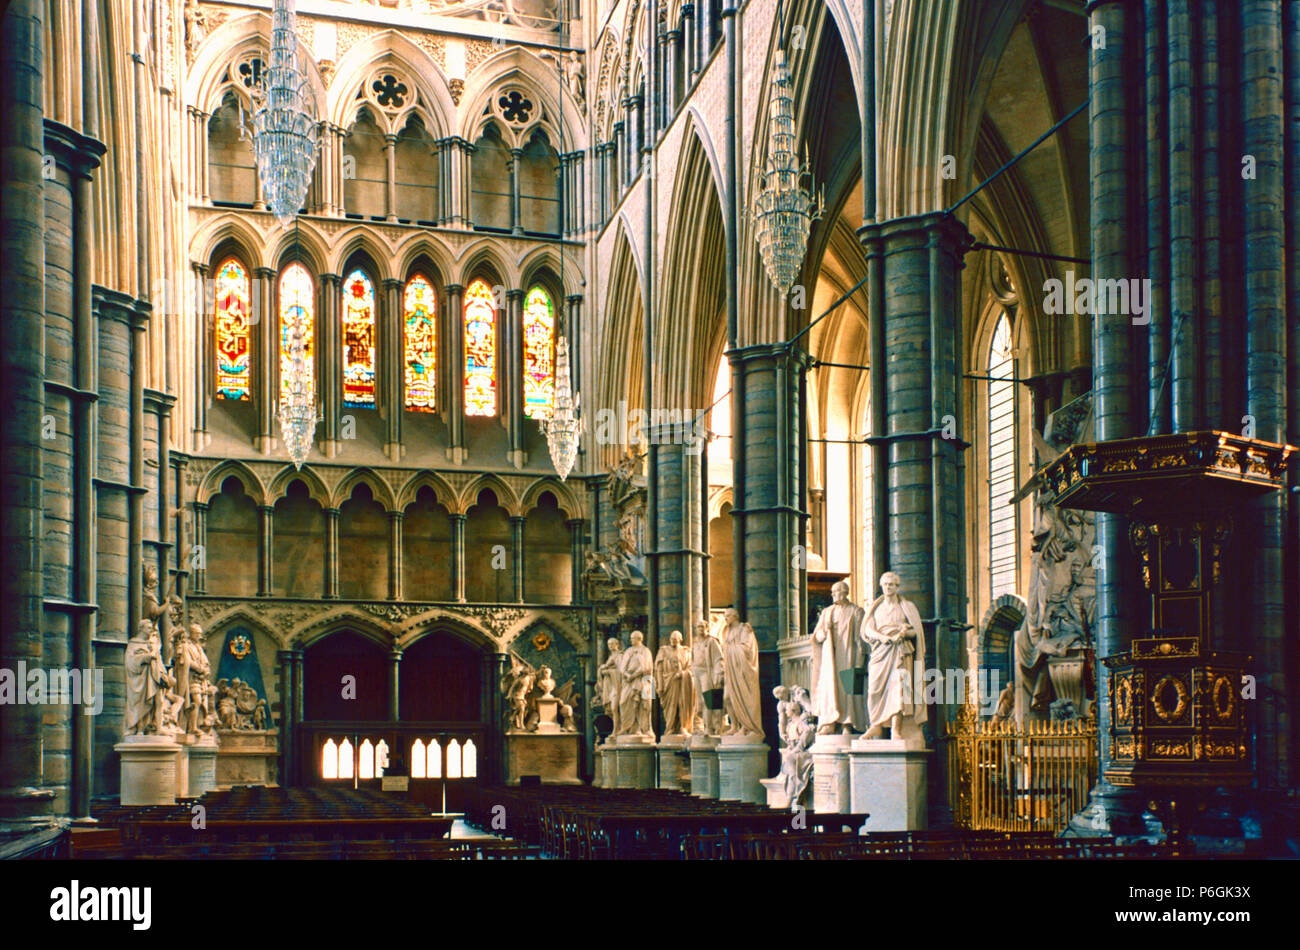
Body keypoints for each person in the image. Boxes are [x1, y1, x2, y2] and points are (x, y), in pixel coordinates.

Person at [861, 572, 927, 740]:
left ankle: (896, 729)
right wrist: (883, 637)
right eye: (885, 584)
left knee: (898, 689)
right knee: (874, 689)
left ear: (897, 587)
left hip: (900, 652)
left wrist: (904, 633)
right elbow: (868, 629)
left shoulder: (907, 607)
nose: (888, 587)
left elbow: (916, 632)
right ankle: (876, 725)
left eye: (892, 584)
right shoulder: (875, 608)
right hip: (880, 652)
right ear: (881, 586)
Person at [809, 580, 866, 735]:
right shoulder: (827, 612)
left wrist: (861, 654)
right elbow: (817, 634)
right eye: (832, 592)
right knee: (830, 687)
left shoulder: (856, 611)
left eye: (836, 591)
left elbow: (862, 636)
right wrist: (823, 633)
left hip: (850, 654)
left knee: (849, 687)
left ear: (845, 592)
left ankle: (848, 722)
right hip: (830, 656)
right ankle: (830, 722)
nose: (834, 594)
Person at [720, 609, 763, 739]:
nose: (725, 618)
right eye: (725, 616)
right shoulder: (726, 631)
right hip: (731, 669)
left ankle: (746, 726)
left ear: (735, 616)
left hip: (742, 671)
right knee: (727, 698)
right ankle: (734, 726)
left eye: (728, 616)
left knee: (743, 697)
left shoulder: (744, 629)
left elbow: (747, 649)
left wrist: (731, 650)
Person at [654, 630, 694, 736]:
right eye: (671, 639)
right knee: (670, 706)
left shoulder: (686, 651)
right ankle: (670, 727)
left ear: (680, 640)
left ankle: (683, 726)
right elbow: (659, 669)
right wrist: (660, 685)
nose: (673, 641)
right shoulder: (663, 651)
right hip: (668, 682)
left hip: (682, 682)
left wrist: (682, 673)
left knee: (682, 703)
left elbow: (691, 667)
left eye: (675, 640)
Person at [616, 631, 654, 738]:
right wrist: (627, 674)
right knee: (623, 702)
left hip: (643, 680)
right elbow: (622, 667)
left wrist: (634, 675)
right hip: (628, 681)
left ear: (639, 639)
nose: (630, 640)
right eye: (630, 638)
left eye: (632, 638)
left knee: (643, 705)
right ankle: (627, 728)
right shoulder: (628, 651)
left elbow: (646, 667)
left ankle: (640, 729)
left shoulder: (646, 651)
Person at [690, 619, 724, 734]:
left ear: (707, 628)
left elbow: (719, 659)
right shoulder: (695, 643)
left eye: (702, 627)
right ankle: (706, 726)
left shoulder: (712, 642)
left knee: (709, 699)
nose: (700, 629)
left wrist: (718, 674)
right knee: (700, 701)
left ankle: (712, 727)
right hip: (697, 673)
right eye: (698, 627)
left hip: (707, 672)